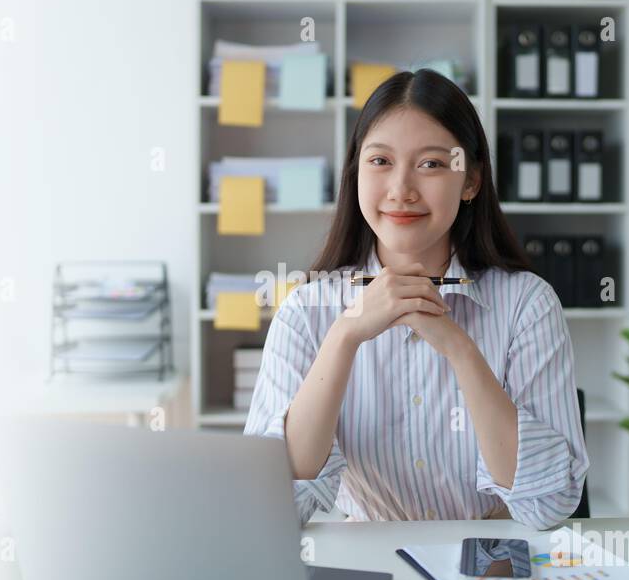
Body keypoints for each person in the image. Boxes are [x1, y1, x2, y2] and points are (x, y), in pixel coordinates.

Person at [243, 69, 589, 527]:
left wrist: (458, 346)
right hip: (370, 564)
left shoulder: (528, 304)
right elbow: (270, 507)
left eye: (431, 164)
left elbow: (548, 505)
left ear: (471, 182)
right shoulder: (307, 312)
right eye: (380, 161)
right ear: (356, 173)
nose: (401, 191)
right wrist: (344, 337)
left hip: (491, 566)